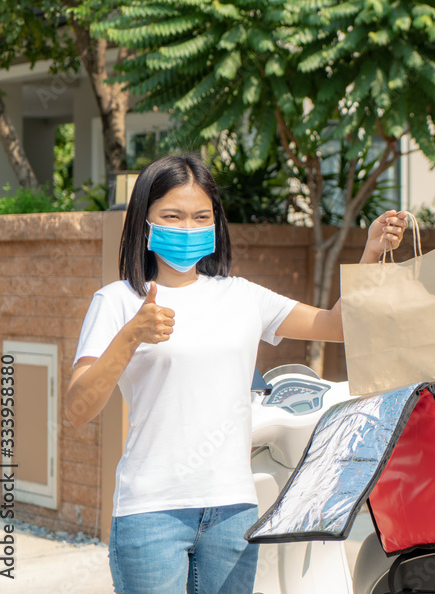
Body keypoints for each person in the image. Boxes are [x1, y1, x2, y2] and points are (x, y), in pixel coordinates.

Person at [67, 154, 408, 594]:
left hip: (233, 513)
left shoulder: (242, 296)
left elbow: (336, 325)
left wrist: (371, 251)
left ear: (215, 224)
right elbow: (79, 407)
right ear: (144, 223)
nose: (187, 227)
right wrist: (131, 336)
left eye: (200, 217)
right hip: (151, 513)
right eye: (172, 216)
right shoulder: (116, 301)